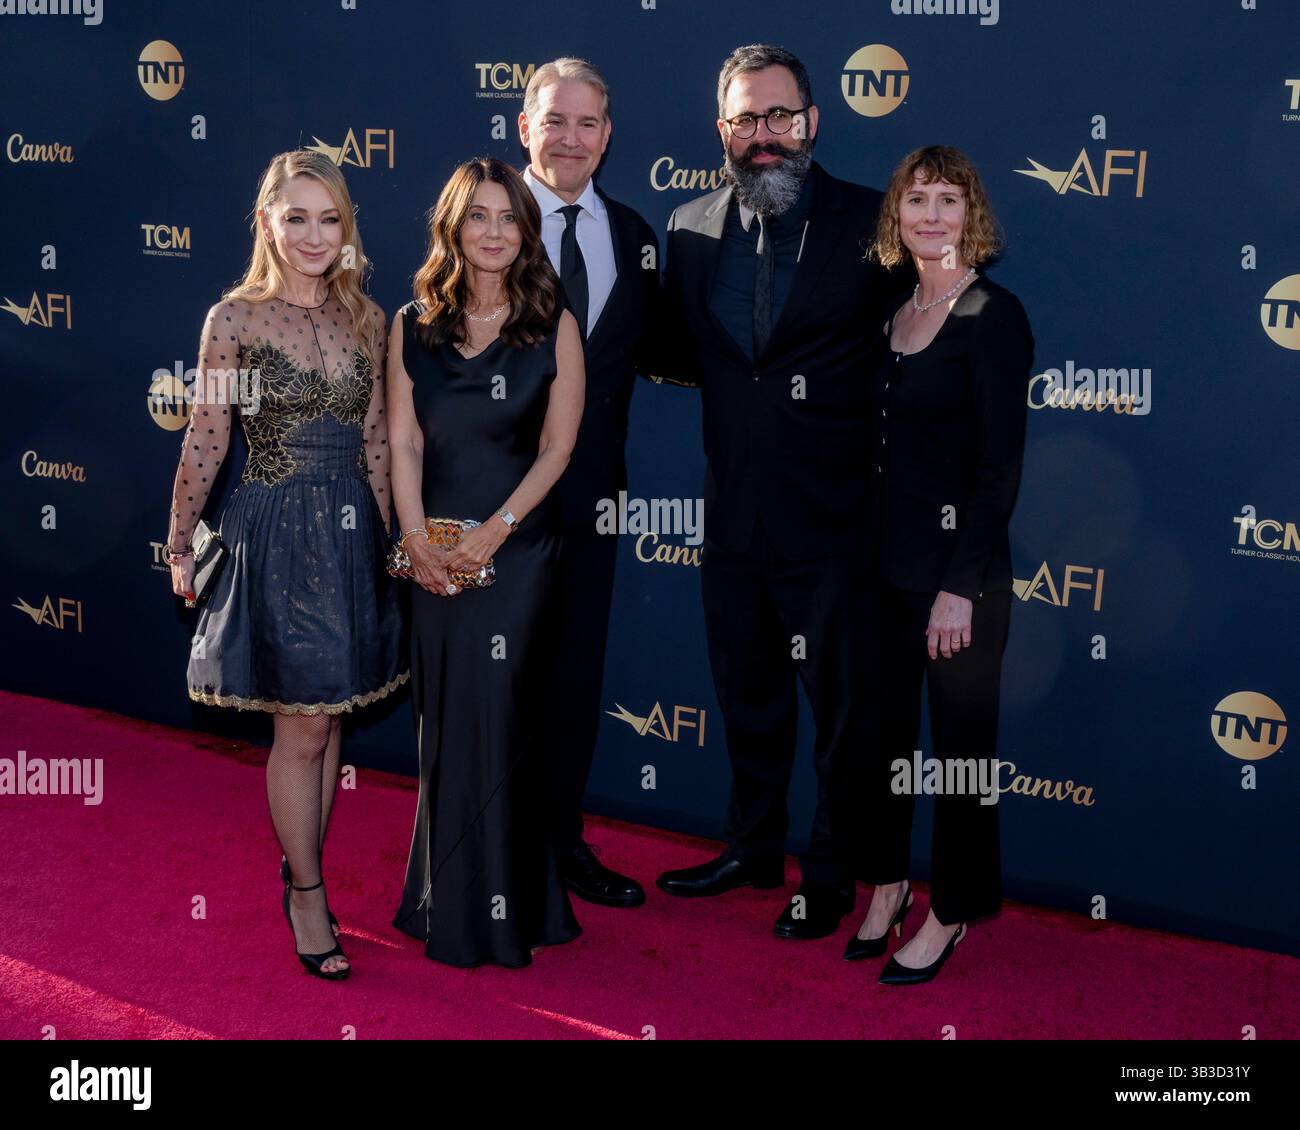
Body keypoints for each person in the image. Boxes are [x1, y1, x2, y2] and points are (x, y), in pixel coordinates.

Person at [652, 44, 906, 940]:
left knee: (843, 714)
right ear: (722, 131)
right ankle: (752, 848)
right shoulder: (687, 229)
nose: (763, 137)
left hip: (840, 522)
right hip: (733, 516)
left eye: (779, 118)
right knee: (747, 695)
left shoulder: (880, 225)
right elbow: (681, 359)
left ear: (813, 122)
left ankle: (830, 874)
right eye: (745, 120)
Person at [164, 150, 406, 981]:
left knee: (331, 718)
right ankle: (307, 890)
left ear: (347, 225)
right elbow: (207, 434)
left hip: (348, 536)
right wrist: (178, 539)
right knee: (302, 726)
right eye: (295, 216)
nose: (313, 234)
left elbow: (377, 440)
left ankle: (302, 867)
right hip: (273, 529)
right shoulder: (235, 317)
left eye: (328, 217)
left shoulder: (369, 318)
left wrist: (390, 541)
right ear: (267, 221)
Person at [387, 157, 585, 968]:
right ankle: (442, 897)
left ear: (525, 229)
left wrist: (493, 532)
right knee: (444, 728)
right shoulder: (411, 324)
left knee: (500, 721)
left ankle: (511, 908)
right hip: (431, 556)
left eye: (509, 216)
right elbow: (402, 439)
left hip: (519, 554)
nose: (495, 231)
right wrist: (417, 539)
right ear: (453, 227)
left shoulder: (553, 322)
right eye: (479, 216)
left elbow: (559, 446)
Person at [849, 144, 1033, 985]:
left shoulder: (993, 317)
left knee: (959, 755)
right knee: (881, 739)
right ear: (897, 216)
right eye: (915, 199)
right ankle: (885, 885)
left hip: (962, 582)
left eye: (947, 201)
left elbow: (999, 472)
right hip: (883, 574)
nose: (930, 215)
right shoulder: (893, 309)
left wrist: (958, 590)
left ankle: (952, 910)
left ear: (973, 216)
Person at [517, 57, 661, 909]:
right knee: (490, 681)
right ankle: (487, 852)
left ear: (607, 137)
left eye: (588, 125)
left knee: (572, 677)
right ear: (523, 126)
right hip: (490, 502)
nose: (571, 139)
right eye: (555, 120)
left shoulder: (637, 235)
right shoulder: (481, 222)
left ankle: (560, 843)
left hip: (593, 499)